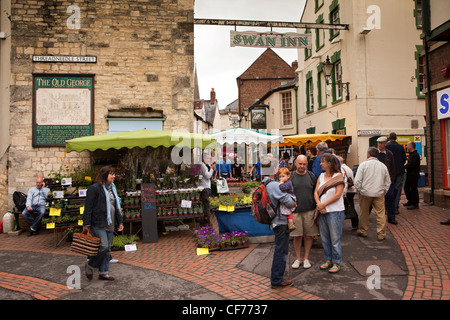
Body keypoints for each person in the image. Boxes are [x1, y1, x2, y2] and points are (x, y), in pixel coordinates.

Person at [83, 166, 124, 281]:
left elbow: (116, 207)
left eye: (114, 174)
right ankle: (90, 265)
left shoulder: (112, 189)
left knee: (107, 249)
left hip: (110, 222)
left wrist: (119, 221)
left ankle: (103, 272)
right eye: (112, 174)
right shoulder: (94, 189)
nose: (114, 176)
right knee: (103, 246)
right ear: (105, 175)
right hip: (98, 222)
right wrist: (86, 224)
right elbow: (88, 207)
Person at [263, 159, 297, 288]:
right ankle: (277, 280)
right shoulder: (274, 185)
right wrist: (294, 202)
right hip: (281, 222)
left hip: (275, 221)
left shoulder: (264, 182)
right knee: (281, 251)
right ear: (274, 170)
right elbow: (289, 202)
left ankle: (277, 278)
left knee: (280, 249)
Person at [314, 153, 345, 273]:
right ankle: (328, 259)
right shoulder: (321, 176)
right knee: (325, 238)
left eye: (323, 161)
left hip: (335, 212)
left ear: (329, 163)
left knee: (335, 238)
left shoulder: (338, 176)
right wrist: (319, 204)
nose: (320, 163)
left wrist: (323, 204)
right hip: (323, 211)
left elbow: (338, 195)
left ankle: (336, 261)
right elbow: (316, 192)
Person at [354, 147, 391, 241]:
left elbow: (357, 180)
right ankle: (381, 234)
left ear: (368, 154)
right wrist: (384, 191)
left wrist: (359, 190)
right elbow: (388, 181)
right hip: (379, 193)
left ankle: (363, 230)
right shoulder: (383, 166)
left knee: (364, 212)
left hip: (365, 193)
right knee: (380, 214)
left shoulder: (363, 165)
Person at [290, 155, 318, 269]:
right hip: (295, 212)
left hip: (309, 210)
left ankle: (306, 258)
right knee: (297, 236)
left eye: (304, 164)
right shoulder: (291, 176)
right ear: (295, 163)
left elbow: (316, 191)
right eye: (300, 164)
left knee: (308, 236)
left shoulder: (311, 176)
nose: (302, 166)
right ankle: (298, 258)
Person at [377, 136, 398, 224]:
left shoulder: (389, 154)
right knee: (373, 198)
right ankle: (366, 217)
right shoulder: (375, 153)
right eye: (378, 143)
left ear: (385, 143)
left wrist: (392, 179)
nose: (380, 145)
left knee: (390, 197)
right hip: (377, 180)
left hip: (388, 180)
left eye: (381, 143)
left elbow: (392, 167)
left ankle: (391, 217)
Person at [386, 132, 406, 214]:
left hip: (389, 172)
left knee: (388, 189)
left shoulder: (386, 147)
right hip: (399, 171)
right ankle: (395, 207)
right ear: (396, 138)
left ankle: (388, 208)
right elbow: (404, 159)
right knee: (397, 189)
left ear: (389, 138)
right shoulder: (400, 147)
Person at [337, 156, 358, 230]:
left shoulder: (342, 169)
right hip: (351, 190)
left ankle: (356, 223)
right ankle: (356, 224)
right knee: (350, 206)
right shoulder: (347, 167)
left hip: (348, 190)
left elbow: (344, 181)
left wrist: (344, 193)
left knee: (349, 206)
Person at [277, 168, 296, 232]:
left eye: (283, 176)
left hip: (290, 197)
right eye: (280, 177)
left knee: (288, 212)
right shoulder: (286, 182)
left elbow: (283, 188)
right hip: (288, 198)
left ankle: (291, 224)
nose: (281, 178)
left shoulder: (288, 182)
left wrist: (281, 183)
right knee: (288, 212)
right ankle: (290, 224)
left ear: (288, 176)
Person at [403, 141, 421, 210]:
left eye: (407, 145)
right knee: (406, 188)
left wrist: (404, 167)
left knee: (413, 189)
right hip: (409, 174)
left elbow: (411, 165)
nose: (406, 147)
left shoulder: (415, 155)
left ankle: (415, 204)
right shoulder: (411, 155)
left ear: (411, 146)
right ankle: (410, 201)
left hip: (414, 174)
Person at [199, 154, 215, 222]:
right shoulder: (203, 166)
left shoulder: (201, 165)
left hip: (202, 185)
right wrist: (211, 169)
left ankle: (204, 216)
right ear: (203, 158)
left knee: (204, 202)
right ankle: (206, 218)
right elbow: (208, 176)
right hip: (205, 186)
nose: (208, 160)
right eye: (208, 158)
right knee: (206, 202)